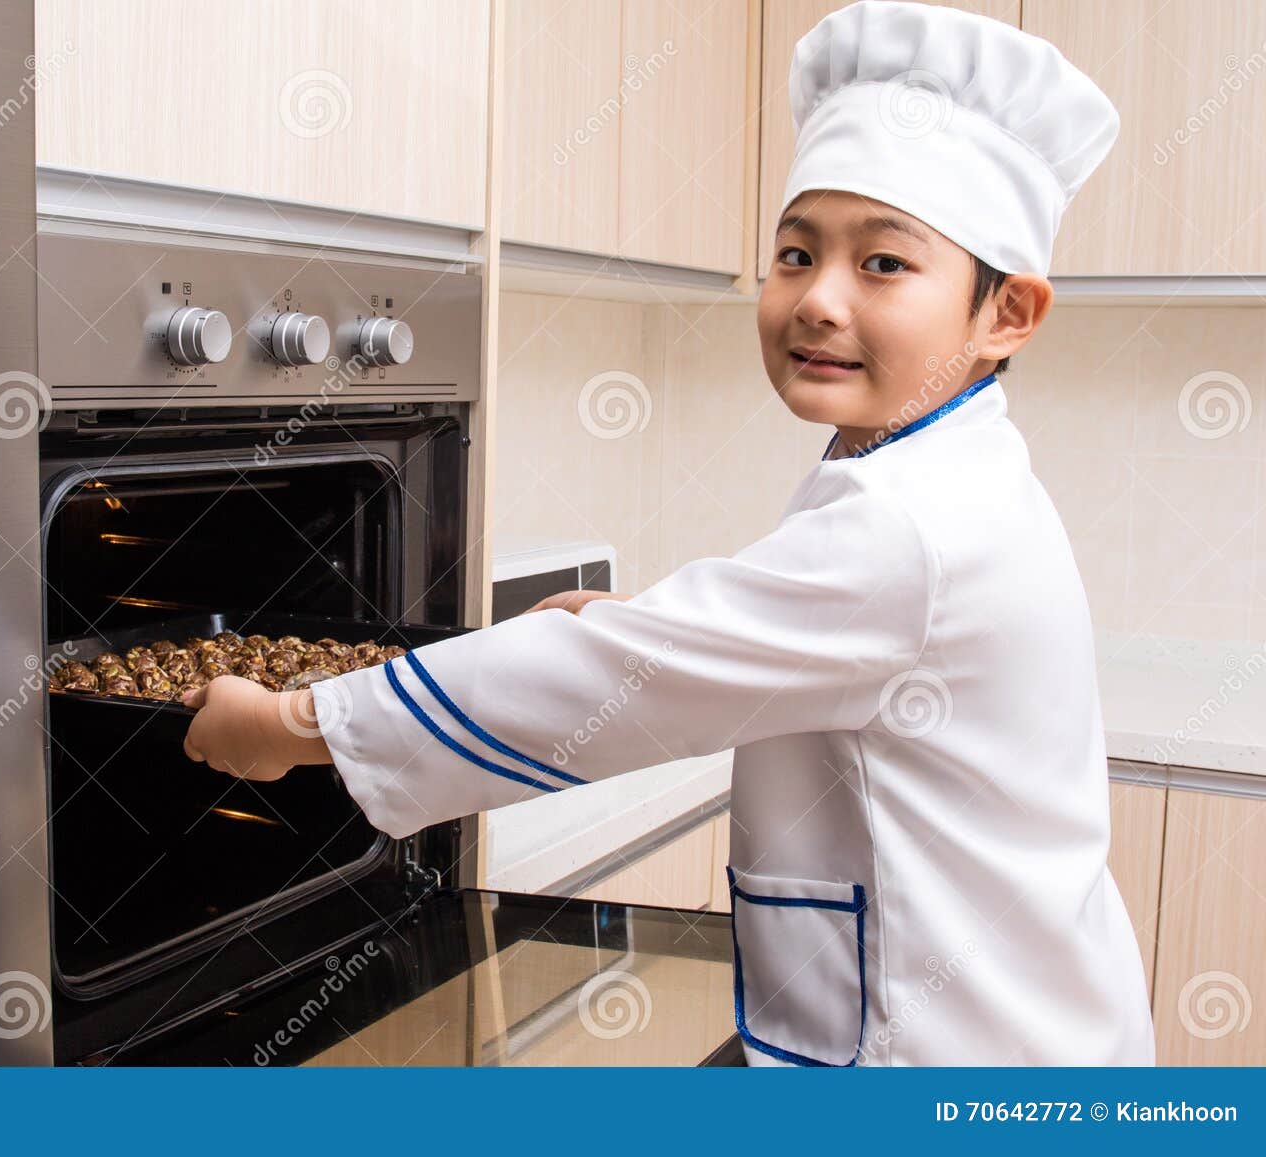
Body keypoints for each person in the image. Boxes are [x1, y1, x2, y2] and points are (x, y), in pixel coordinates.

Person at [180, 0, 1156, 1066]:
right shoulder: (934, 464)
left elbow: (618, 678)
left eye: (882, 264)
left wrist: (291, 723)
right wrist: (649, 622)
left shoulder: (912, 520)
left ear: (1005, 312)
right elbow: (788, 638)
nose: (817, 299)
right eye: (793, 253)